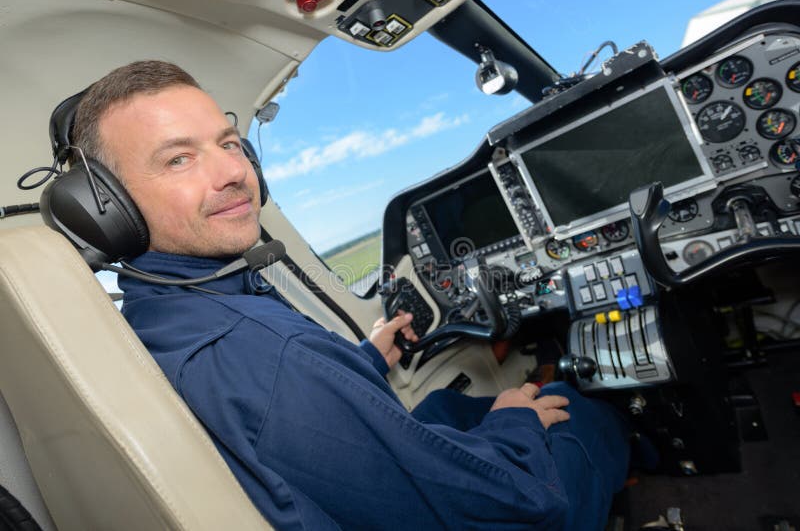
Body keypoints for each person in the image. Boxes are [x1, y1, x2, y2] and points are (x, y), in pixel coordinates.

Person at [71, 60, 630, 530]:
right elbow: (502, 507)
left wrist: (360, 361)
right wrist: (514, 422)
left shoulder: (163, 314)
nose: (232, 173)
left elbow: (284, 412)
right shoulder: (270, 354)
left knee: (442, 406)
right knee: (582, 407)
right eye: (178, 159)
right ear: (108, 209)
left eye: (230, 144)